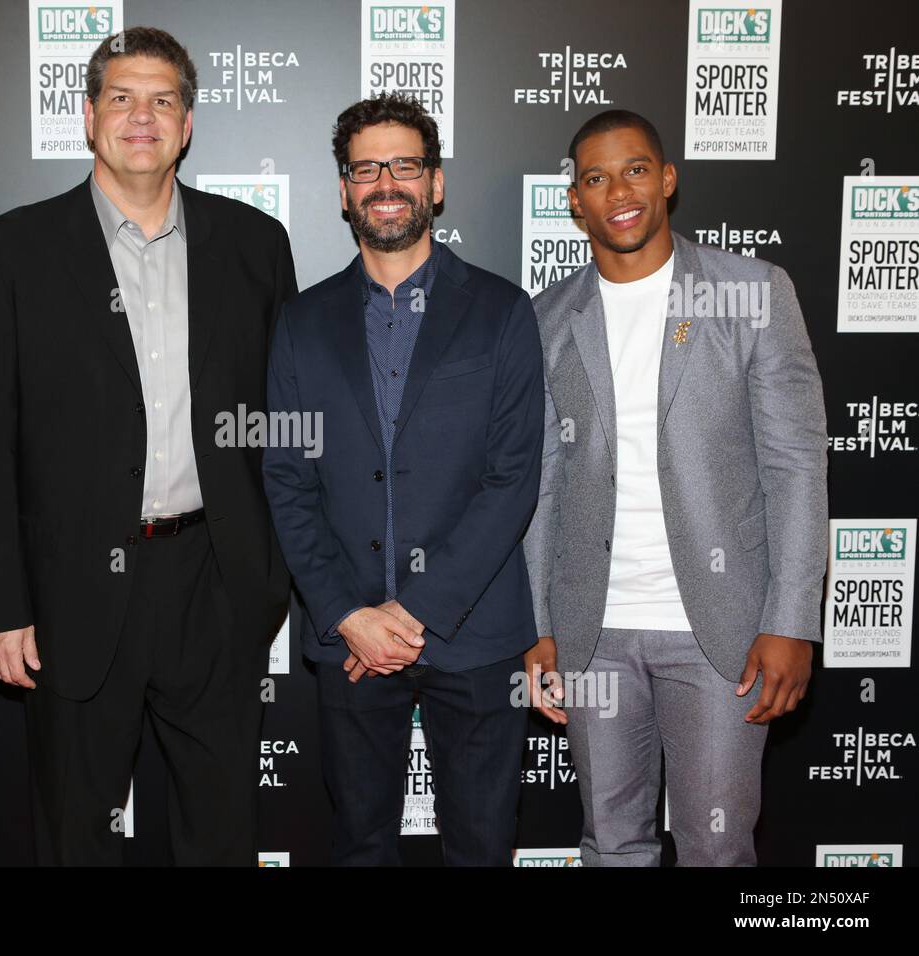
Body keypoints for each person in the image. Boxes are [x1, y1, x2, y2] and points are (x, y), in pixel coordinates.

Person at [0, 27, 296, 865]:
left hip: (215, 583)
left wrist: (268, 581)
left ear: (186, 125)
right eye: (121, 98)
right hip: (69, 590)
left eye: (162, 101)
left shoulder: (255, 246)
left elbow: (286, 432)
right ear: (87, 117)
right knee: (77, 835)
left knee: (221, 836)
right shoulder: (11, 252)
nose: (141, 117)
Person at [522, 109, 828, 866]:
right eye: (595, 178)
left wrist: (793, 619)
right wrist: (539, 627)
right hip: (593, 632)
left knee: (717, 848)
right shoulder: (547, 317)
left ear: (666, 179)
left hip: (722, 634)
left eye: (633, 169)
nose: (617, 190)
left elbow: (795, 465)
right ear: (575, 202)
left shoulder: (752, 291)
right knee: (610, 844)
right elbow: (542, 485)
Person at [263, 93, 544, 865]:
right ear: (344, 190)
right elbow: (287, 478)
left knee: (483, 847)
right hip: (350, 639)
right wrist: (347, 612)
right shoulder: (303, 321)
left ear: (437, 183)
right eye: (366, 168)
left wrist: (412, 611)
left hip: (475, 633)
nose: (386, 181)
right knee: (359, 845)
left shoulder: (502, 311)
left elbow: (513, 478)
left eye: (405, 165)